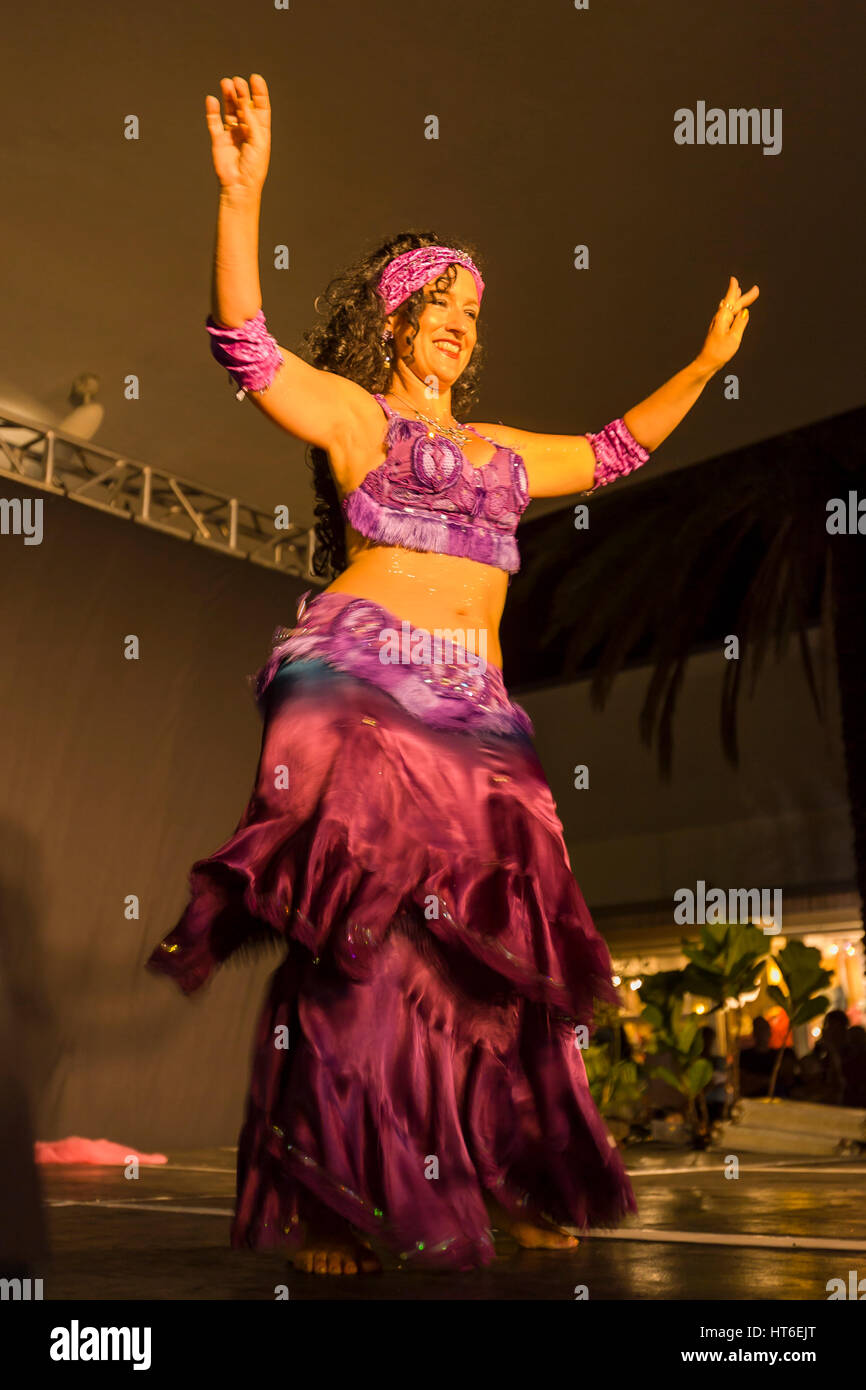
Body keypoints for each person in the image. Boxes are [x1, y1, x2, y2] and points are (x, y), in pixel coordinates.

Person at [147, 72, 758, 1276]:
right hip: (365, 680)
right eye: (438, 300)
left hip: (475, 708)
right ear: (393, 318)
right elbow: (245, 347)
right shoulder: (356, 421)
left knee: (499, 950)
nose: (459, 322)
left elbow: (613, 447)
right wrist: (240, 195)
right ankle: (327, 1194)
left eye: (473, 311)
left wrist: (700, 362)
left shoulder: (499, 452)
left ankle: (514, 1164)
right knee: (366, 938)